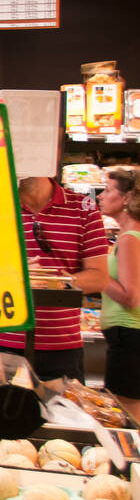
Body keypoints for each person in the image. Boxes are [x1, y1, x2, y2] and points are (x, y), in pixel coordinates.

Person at [0, 176, 108, 381]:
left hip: (61, 348)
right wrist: (14, 277)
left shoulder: (84, 208)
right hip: (2, 343)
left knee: (61, 412)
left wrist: (56, 282)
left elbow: (99, 278)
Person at [98, 167, 140, 415]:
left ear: (126, 198)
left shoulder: (129, 239)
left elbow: (131, 296)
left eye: (107, 190)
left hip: (129, 337)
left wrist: (99, 276)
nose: (101, 196)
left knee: (128, 414)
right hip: (126, 337)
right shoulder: (127, 236)